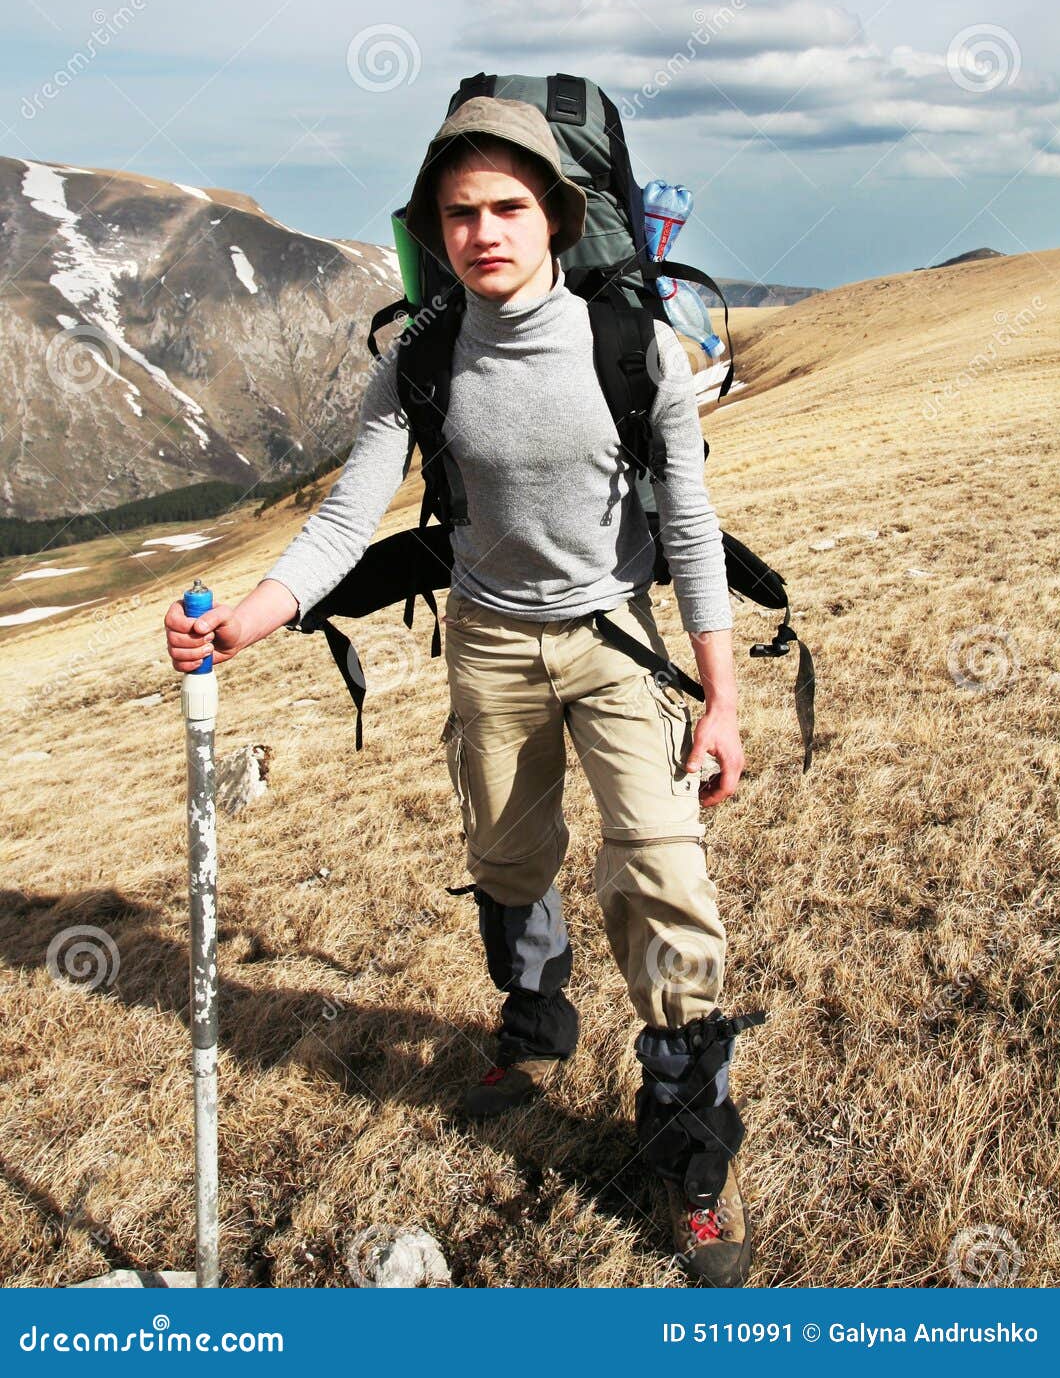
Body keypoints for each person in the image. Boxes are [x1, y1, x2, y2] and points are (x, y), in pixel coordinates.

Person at [164, 97, 754, 1286]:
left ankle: (688, 1135)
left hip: (612, 643)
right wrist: (249, 618)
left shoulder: (632, 347)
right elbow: (345, 519)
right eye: (459, 214)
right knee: (504, 855)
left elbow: (689, 527)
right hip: (487, 643)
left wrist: (721, 695)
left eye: (506, 208)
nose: (484, 231)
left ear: (554, 219)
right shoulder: (421, 357)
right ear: (435, 232)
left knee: (662, 870)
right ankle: (535, 1026)